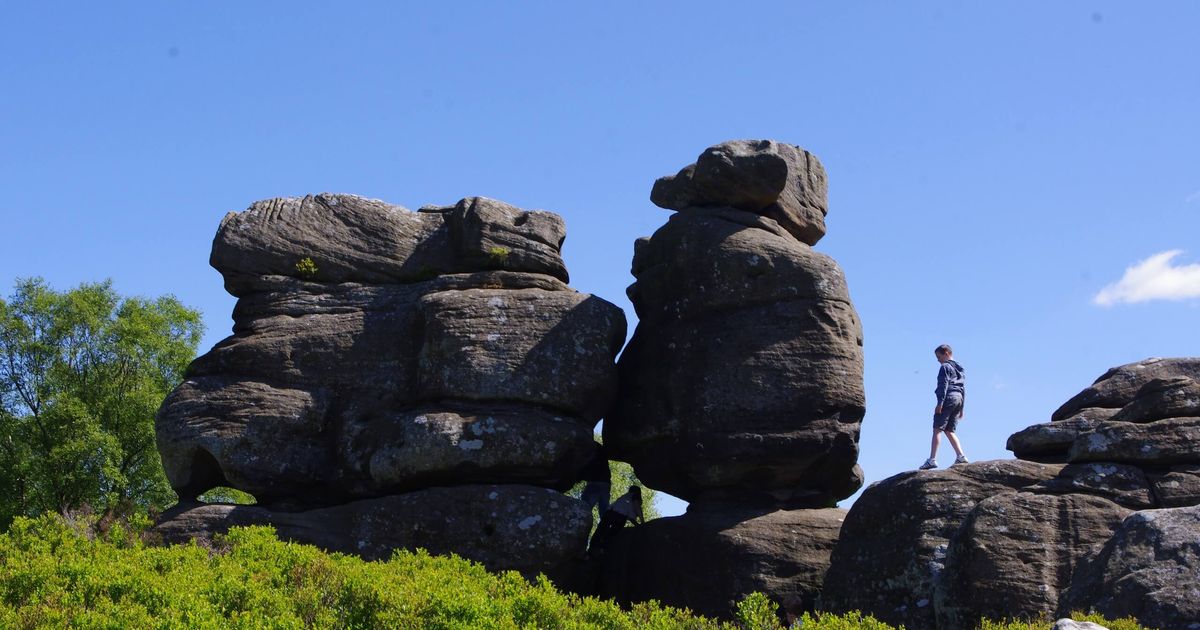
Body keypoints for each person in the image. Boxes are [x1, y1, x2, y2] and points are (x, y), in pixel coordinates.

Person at [920, 344, 968, 470]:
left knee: (937, 429)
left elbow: (943, 385)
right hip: (958, 399)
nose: (938, 360)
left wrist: (940, 403)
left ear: (946, 352)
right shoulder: (960, 368)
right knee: (949, 430)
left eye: (938, 356)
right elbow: (963, 388)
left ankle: (932, 459)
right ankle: (961, 456)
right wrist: (962, 407)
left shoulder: (945, 367)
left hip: (948, 398)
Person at [587, 485, 643, 555]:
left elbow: (629, 513)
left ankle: (591, 551)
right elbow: (637, 509)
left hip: (609, 513)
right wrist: (642, 523)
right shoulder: (635, 497)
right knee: (612, 534)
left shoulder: (625, 496)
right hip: (619, 516)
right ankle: (602, 550)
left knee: (600, 531)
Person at [578, 446, 611, 526]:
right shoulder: (600, 451)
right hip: (605, 484)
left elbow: (585, 467)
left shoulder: (589, 450)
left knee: (584, 509)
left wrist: (579, 476)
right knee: (604, 512)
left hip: (594, 483)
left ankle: (579, 526)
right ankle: (605, 532)